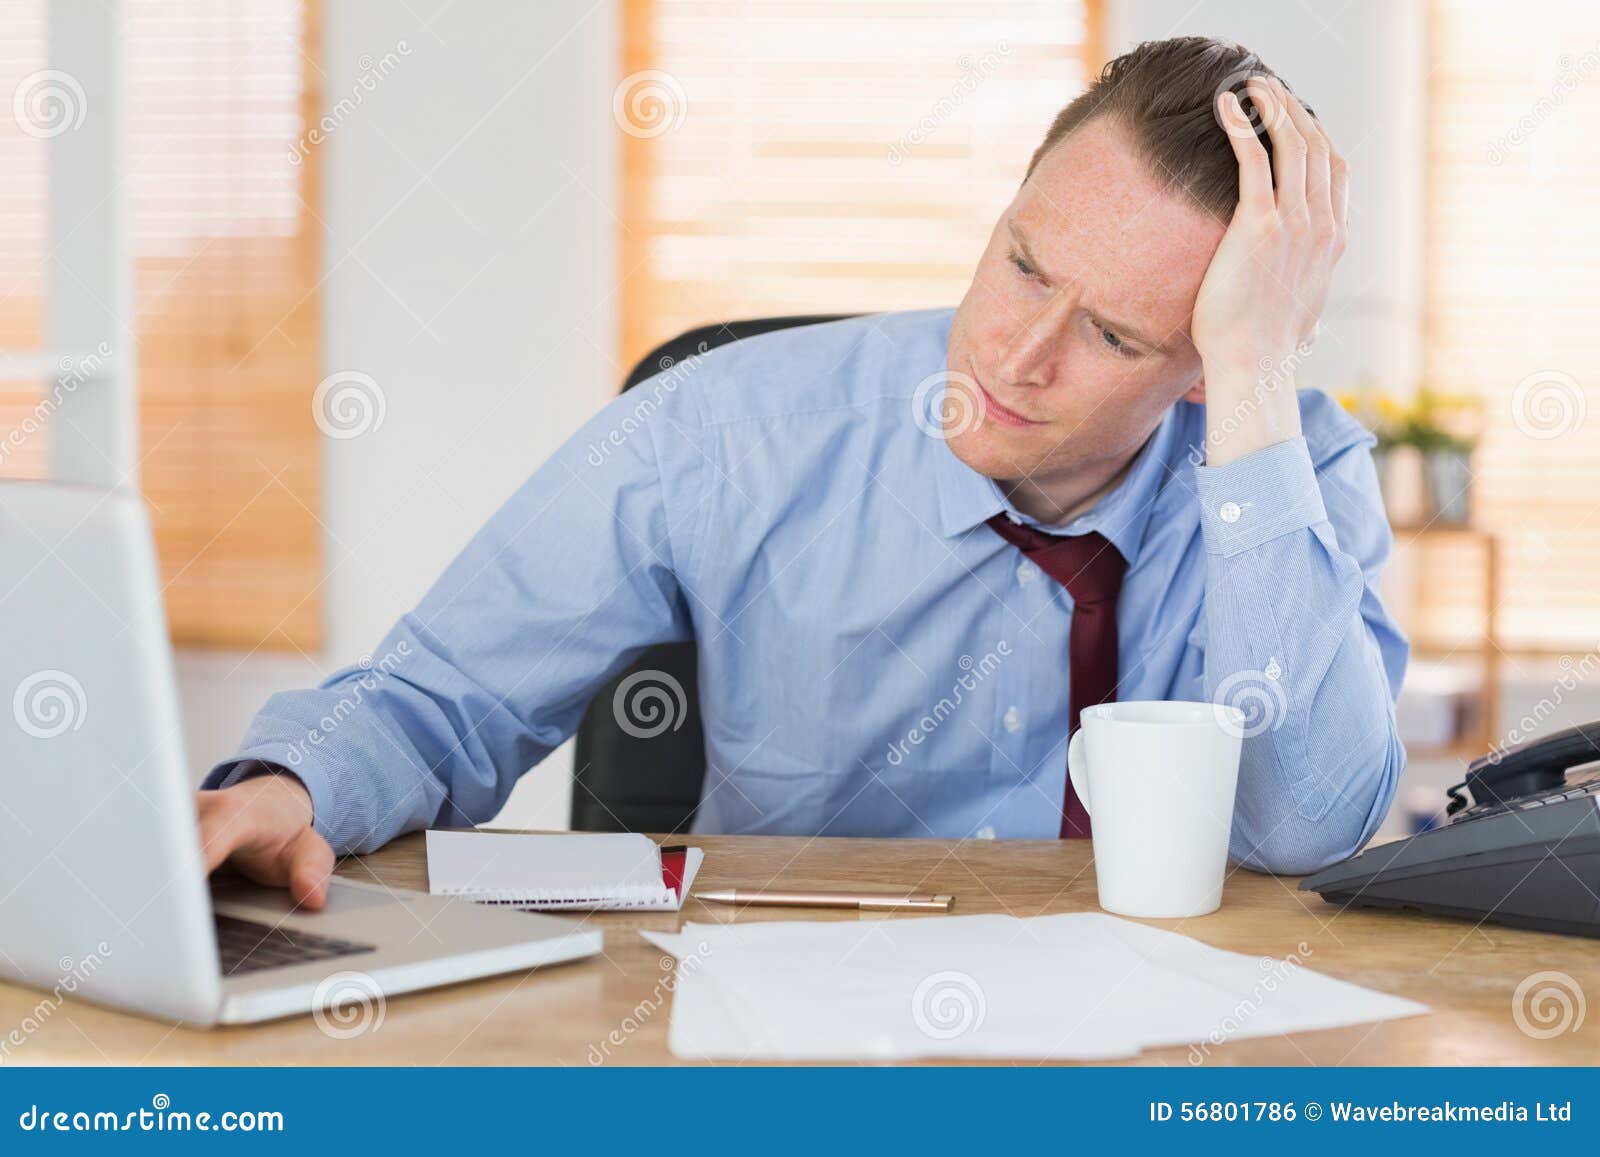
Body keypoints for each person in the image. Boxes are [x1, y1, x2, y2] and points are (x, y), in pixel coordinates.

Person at [197, 37, 1407, 909]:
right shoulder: (728, 430)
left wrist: (1254, 374)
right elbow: (443, 693)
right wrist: (291, 782)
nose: (1015, 353)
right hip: (782, 1045)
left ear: (1203, 365)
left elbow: (1304, 822)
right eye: (1026, 265)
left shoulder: (1281, 471)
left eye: (1113, 336)